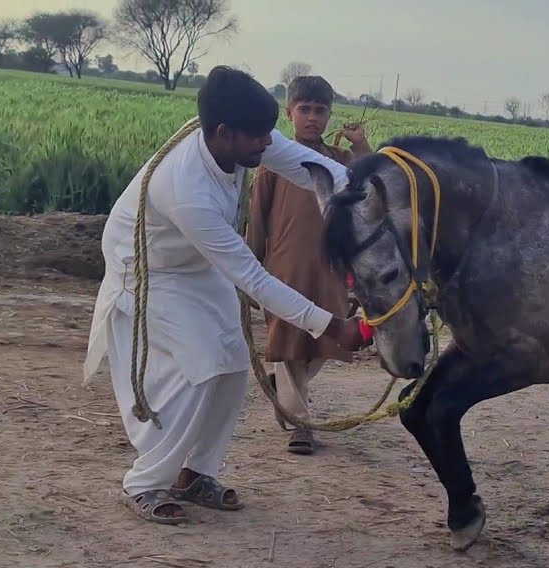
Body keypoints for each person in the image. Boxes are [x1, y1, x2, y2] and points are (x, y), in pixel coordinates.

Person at [82, 66, 368, 525]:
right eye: (258, 138)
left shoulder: (244, 139)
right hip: (149, 271)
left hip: (196, 263)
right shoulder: (186, 188)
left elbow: (312, 166)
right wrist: (332, 324)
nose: (267, 145)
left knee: (233, 363)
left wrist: (371, 189)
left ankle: (195, 474)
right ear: (223, 133)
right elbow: (253, 278)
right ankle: (145, 482)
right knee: (202, 366)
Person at [246, 75, 371, 456]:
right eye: (305, 110)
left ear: (330, 114)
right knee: (287, 339)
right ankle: (301, 424)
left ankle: (282, 387)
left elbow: (372, 182)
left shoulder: (340, 161)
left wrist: (362, 144)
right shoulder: (270, 163)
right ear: (289, 113)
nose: (313, 118)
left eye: (320, 110)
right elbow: (257, 219)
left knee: (321, 342)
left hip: (330, 268)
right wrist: (249, 273)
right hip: (284, 266)